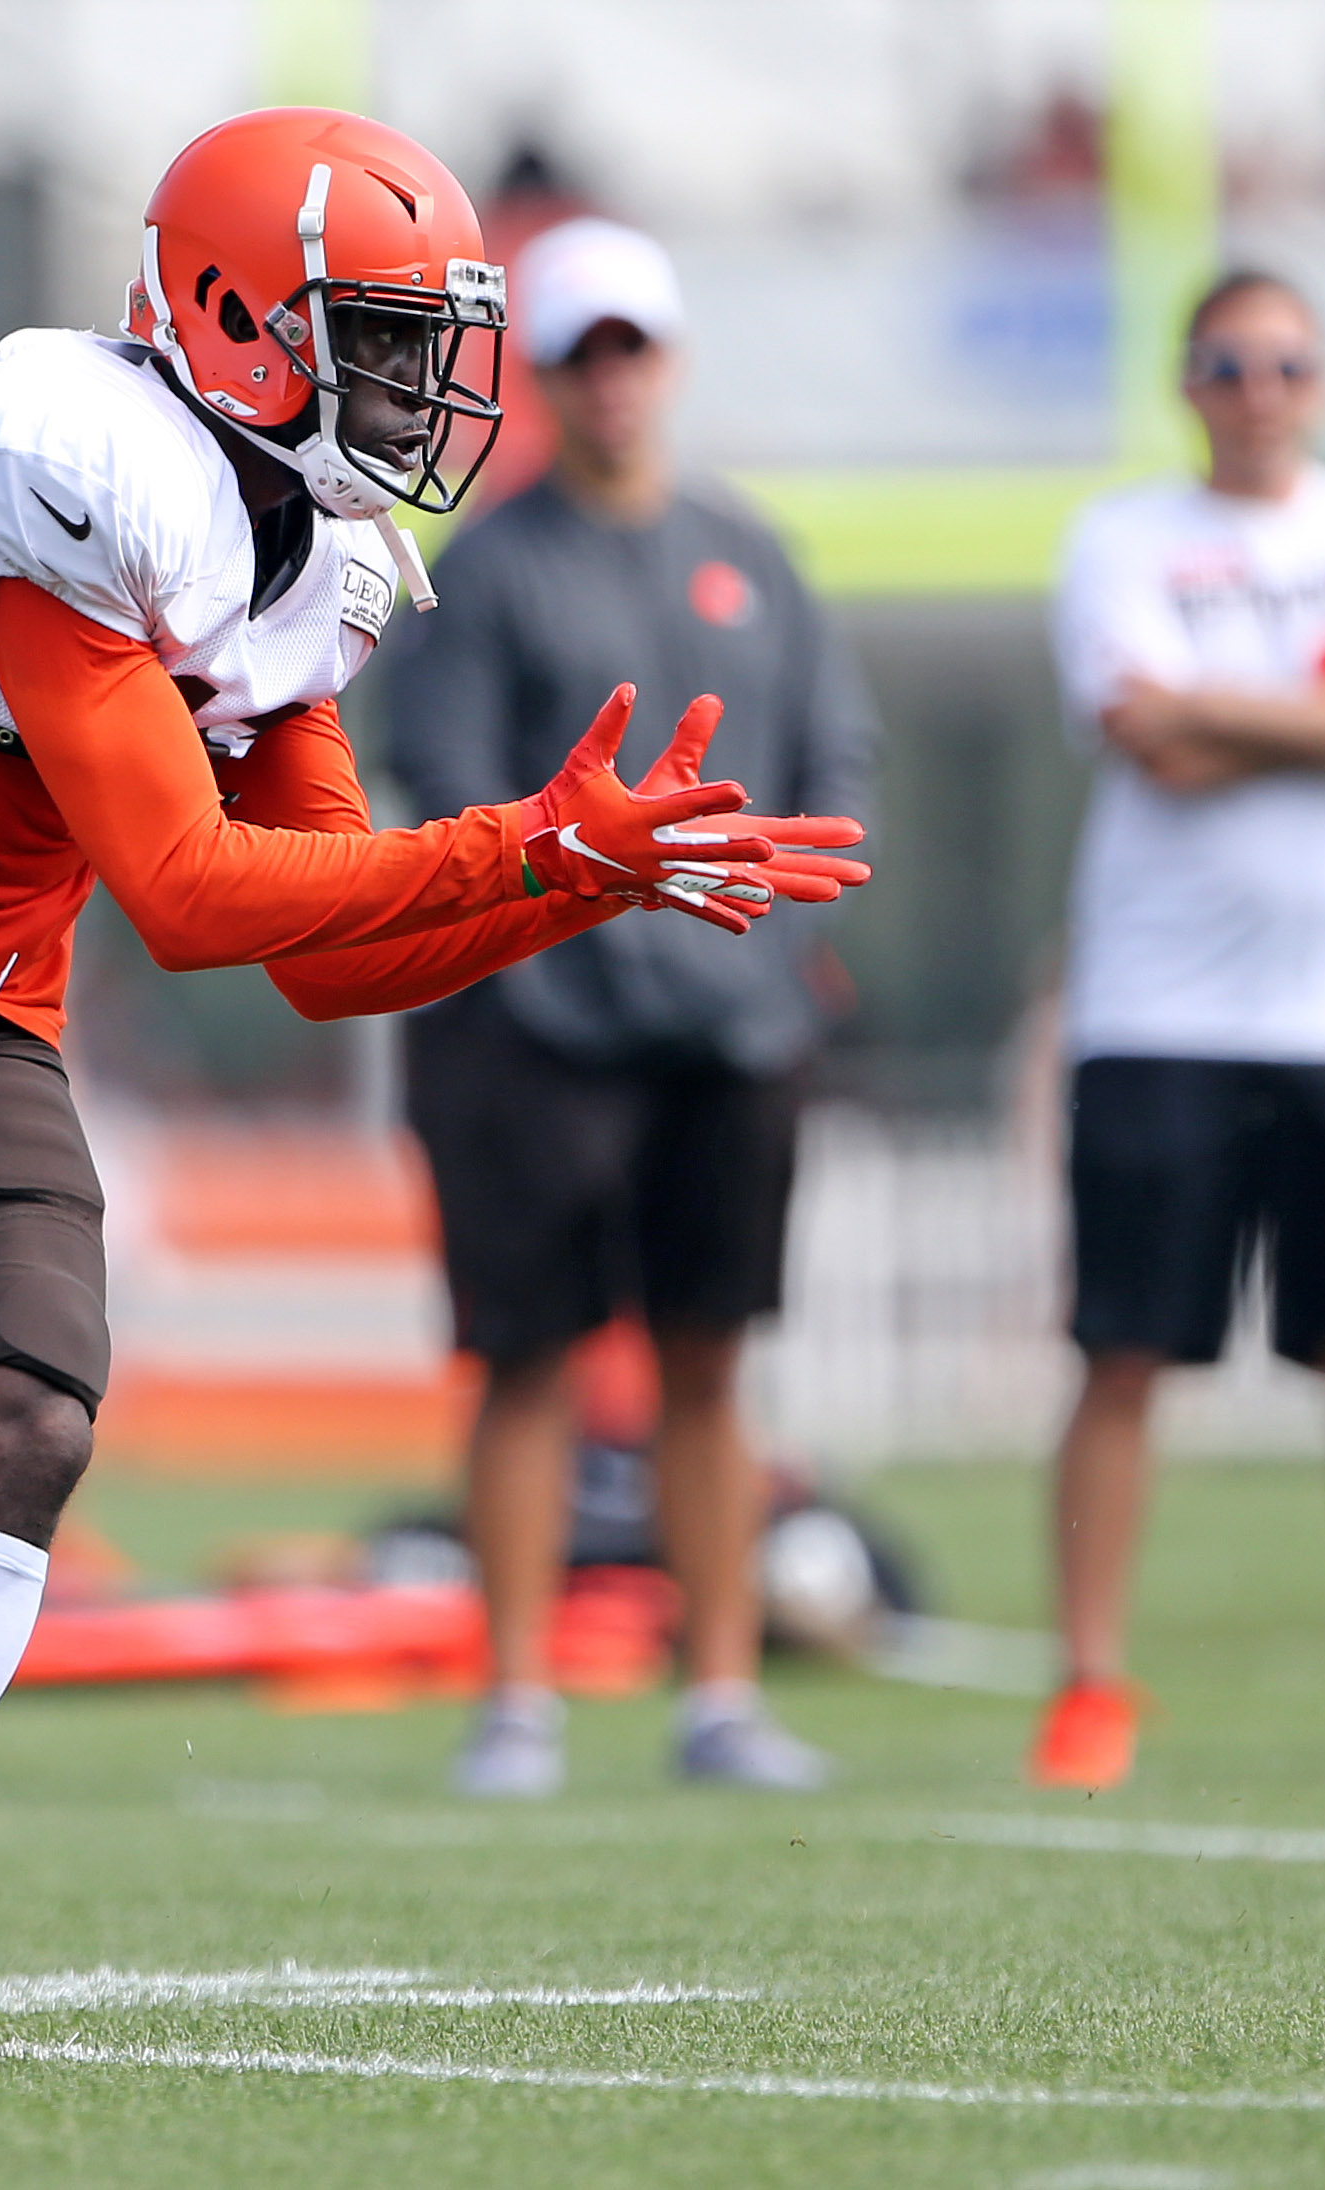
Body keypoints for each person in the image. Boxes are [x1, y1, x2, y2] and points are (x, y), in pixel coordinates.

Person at [0, 107, 865, 2057]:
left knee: (18, 1425)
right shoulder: (75, 458)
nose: (427, 389)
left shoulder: (314, 550)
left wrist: (570, 876)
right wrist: (529, 839)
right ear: (238, 321)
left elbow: (331, 949)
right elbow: (189, 895)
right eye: (382, 335)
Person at [387, 216, 877, 1800]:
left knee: (709, 1359)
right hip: (537, 1027)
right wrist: (584, 917)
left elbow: (830, 764)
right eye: (579, 355)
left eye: (631, 350)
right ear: (540, 377)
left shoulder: (752, 554)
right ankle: (517, 1697)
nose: (609, 382)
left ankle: (718, 1691)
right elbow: (453, 798)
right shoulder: (492, 569)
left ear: (664, 363)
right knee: (526, 1357)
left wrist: (778, 946)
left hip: (727, 1027)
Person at [1027, 268, 1325, 1793]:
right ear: (1187, 385)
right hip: (1158, 1011)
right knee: (1122, 1354)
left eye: (1286, 363)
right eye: (1228, 365)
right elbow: (1143, 737)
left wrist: (1226, 709)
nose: (1257, 391)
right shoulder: (1120, 537)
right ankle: (1091, 1683)